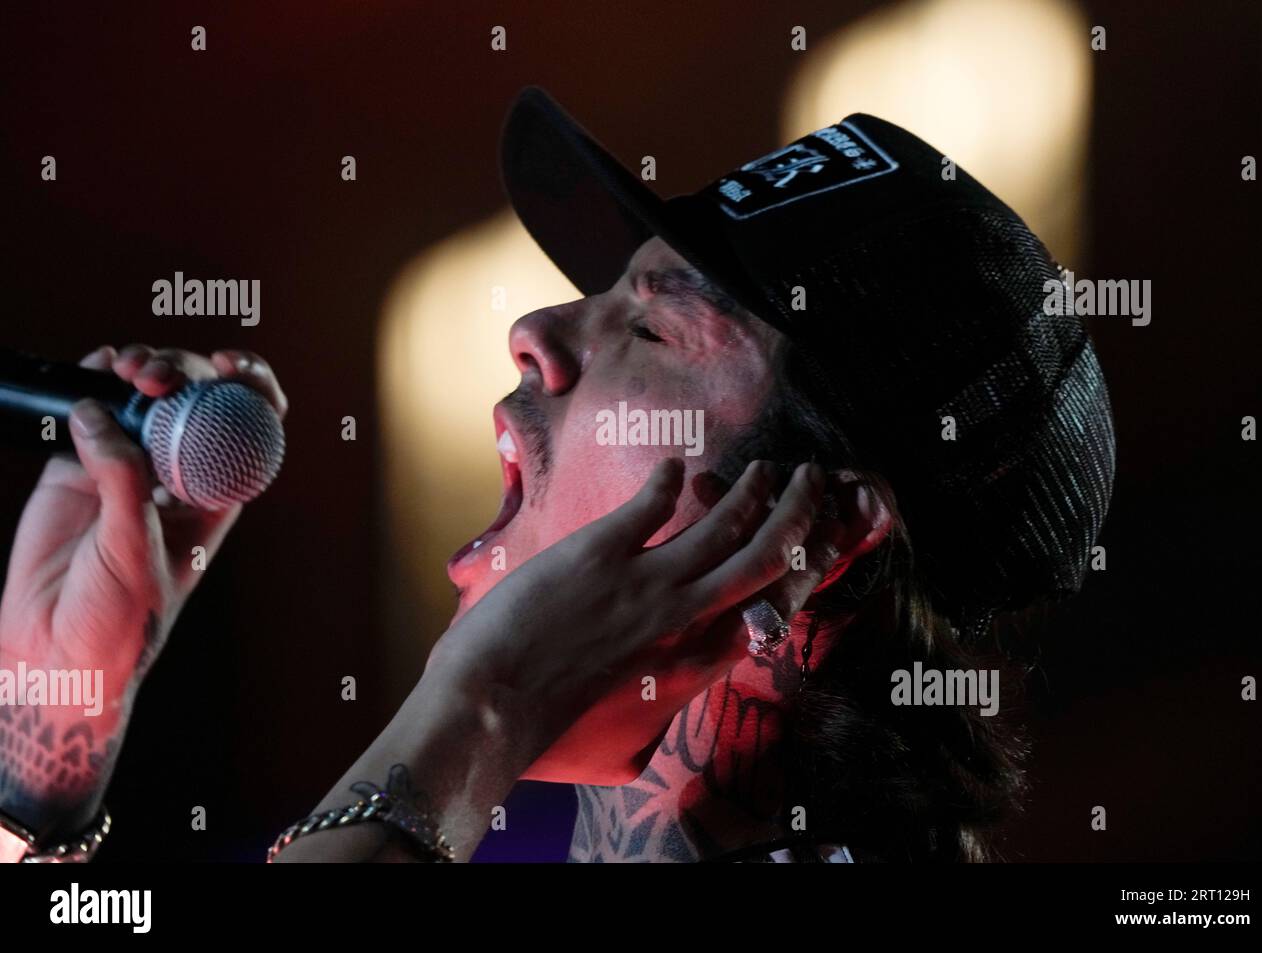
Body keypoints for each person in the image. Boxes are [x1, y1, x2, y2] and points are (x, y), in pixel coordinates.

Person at [0, 87, 1114, 863]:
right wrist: (40, 758)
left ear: (818, 536)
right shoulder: (500, 829)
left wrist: (478, 709)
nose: (535, 328)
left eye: (657, 327)